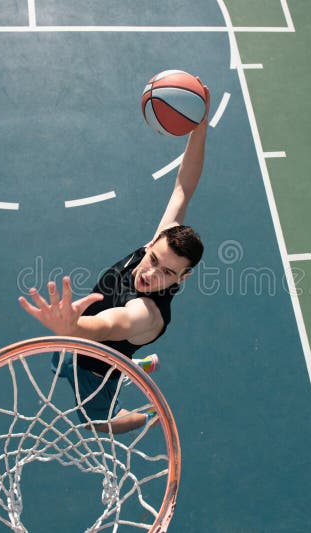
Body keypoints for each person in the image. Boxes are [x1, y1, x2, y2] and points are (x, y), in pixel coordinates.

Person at [18, 89, 209, 434]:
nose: (151, 273)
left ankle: (150, 414)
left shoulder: (144, 314)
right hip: (74, 337)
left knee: (96, 423)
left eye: (167, 273)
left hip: (95, 369)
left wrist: (70, 327)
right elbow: (183, 186)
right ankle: (137, 364)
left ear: (183, 278)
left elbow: (105, 326)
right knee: (58, 363)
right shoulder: (158, 245)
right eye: (153, 258)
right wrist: (199, 124)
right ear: (153, 243)